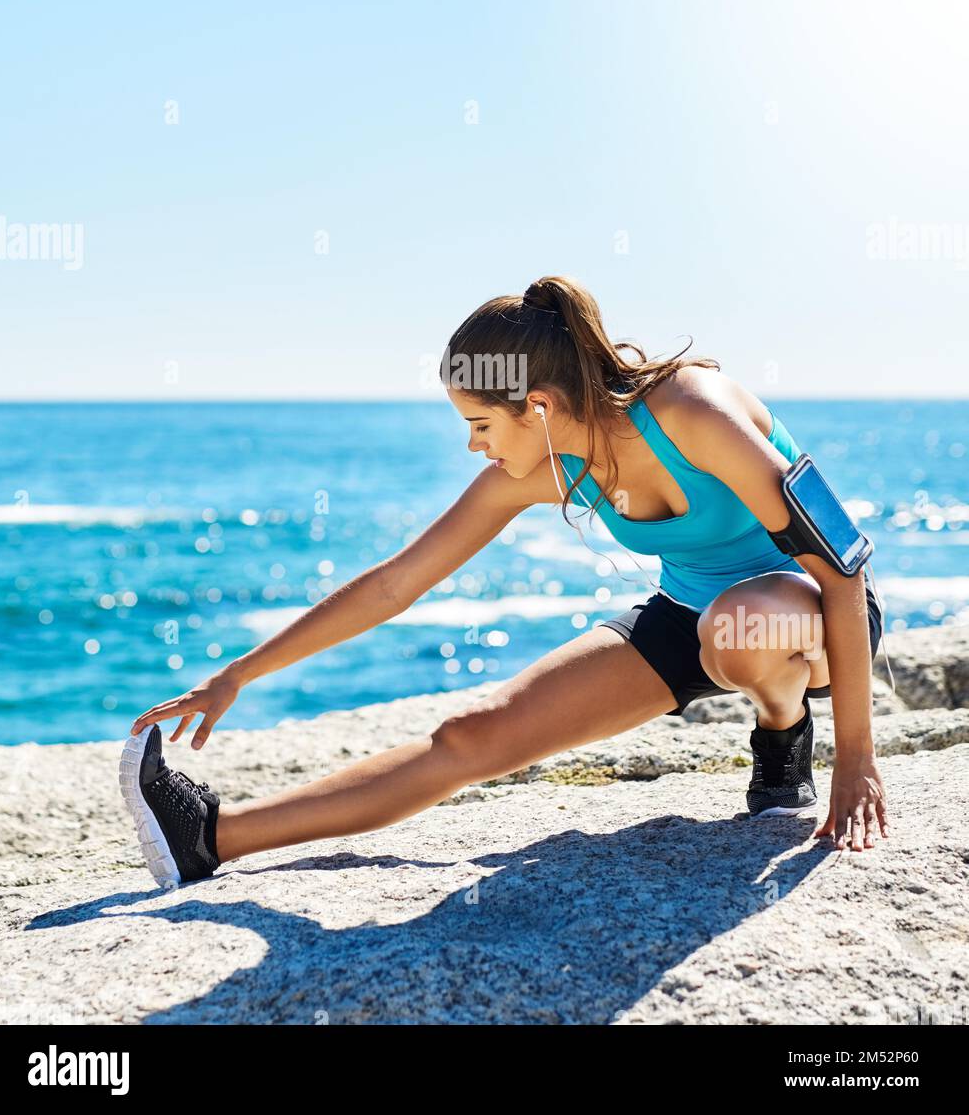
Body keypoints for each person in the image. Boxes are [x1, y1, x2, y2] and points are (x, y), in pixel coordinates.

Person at [121, 275, 889, 890]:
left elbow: (841, 563)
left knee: (739, 623)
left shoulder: (693, 410)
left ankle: (783, 726)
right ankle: (212, 835)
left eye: (480, 425)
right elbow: (395, 585)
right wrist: (237, 676)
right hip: (686, 615)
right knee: (472, 736)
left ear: (540, 407)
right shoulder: (541, 468)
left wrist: (855, 758)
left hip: (811, 616)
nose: (470, 445)